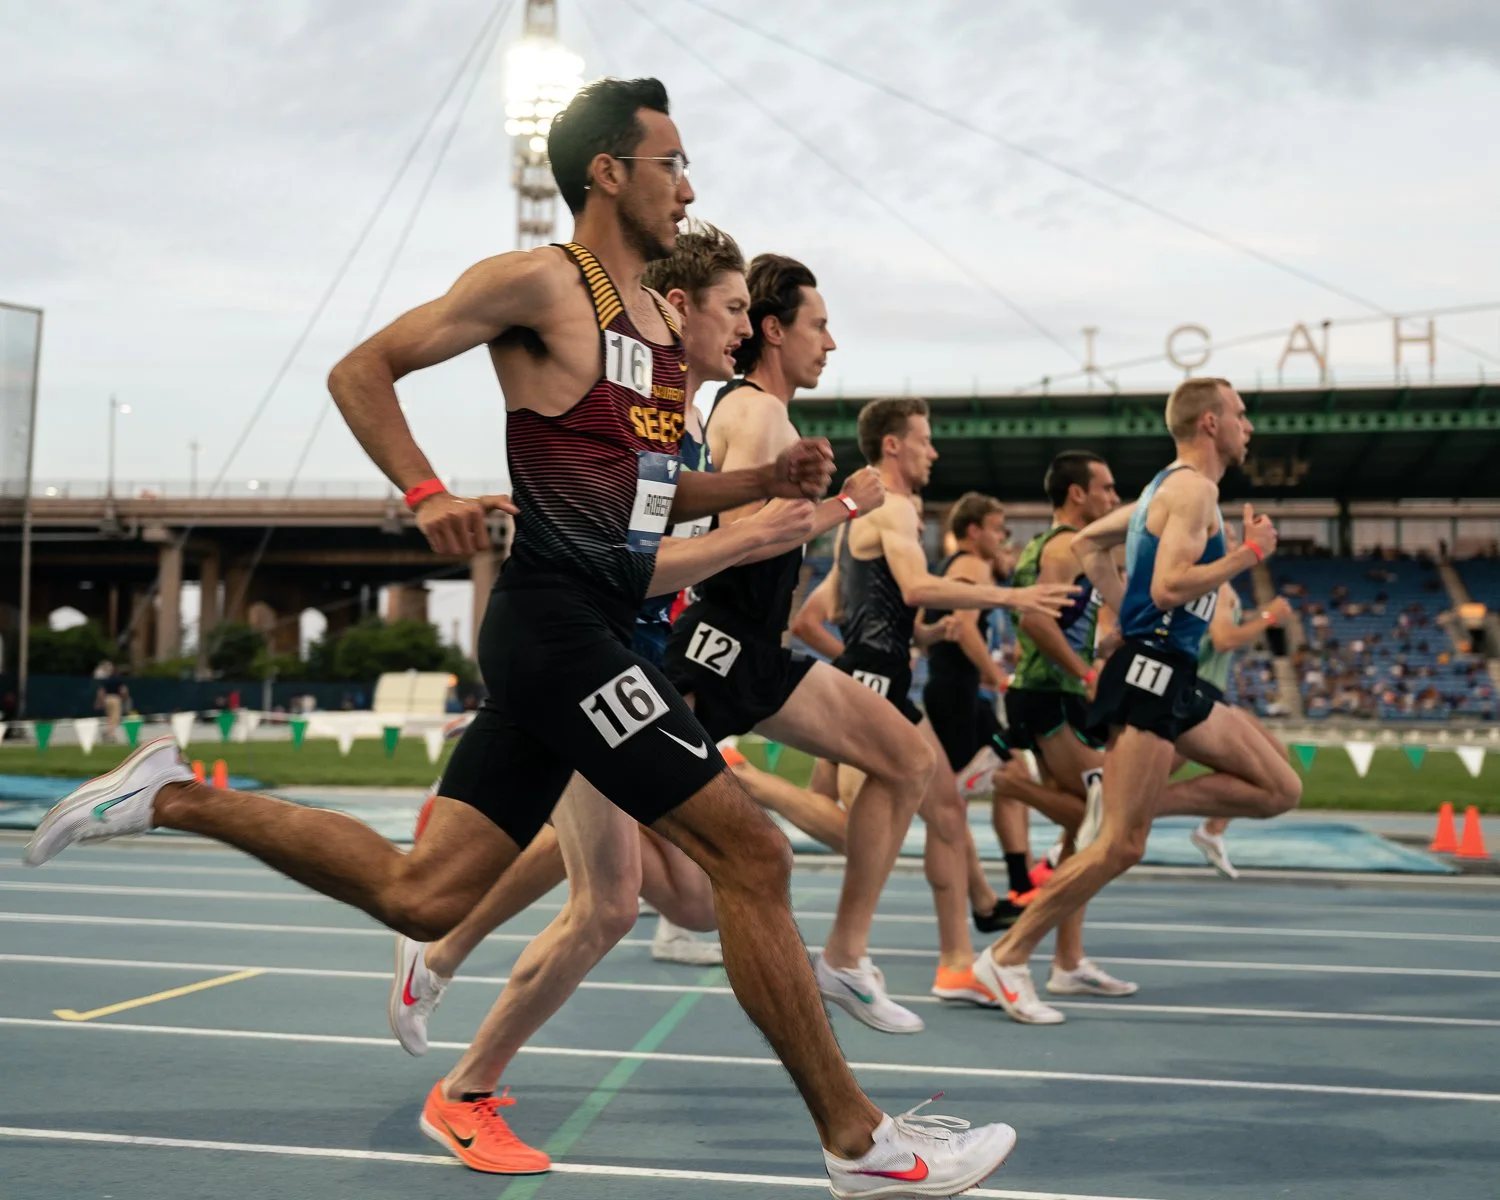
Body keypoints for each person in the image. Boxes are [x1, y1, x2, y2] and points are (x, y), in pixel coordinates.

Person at [25, 78, 1016, 1197]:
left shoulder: (653, 326)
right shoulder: (541, 283)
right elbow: (361, 370)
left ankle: (171, 794)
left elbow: (646, 495)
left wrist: (753, 480)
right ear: (609, 171)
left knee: (423, 897)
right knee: (754, 854)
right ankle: (861, 1143)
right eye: (672, 164)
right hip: (558, 628)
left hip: (592, 630)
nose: (689, 187)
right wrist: (423, 490)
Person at [972, 377, 1303, 1020]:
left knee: (1278, 788)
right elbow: (1176, 582)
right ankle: (1006, 958)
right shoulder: (1191, 489)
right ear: (1209, 423)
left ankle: (1119, 799)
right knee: (1121, 846)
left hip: (1169, 671)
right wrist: (1247, 555)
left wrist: (1128, 610)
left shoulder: (1162, 487)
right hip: (1154, 673)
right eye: (1239, 414)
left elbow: (1092, 542)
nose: (1249, 426)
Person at [823, 396, 1077, 1022]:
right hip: (876, 683)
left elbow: (835, 611)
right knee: (890, 816)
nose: (934, 452)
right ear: (892, 445)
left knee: (942, 812)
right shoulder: (895, 504)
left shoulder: (865, 506)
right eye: (925, 440)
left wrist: (916, 639)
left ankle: (953, 961)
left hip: (878, 675)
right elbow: (914, 589)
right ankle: (866, 956)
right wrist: (1013, 593)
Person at [985, 451, 1137, 1024]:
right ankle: (1006, 782)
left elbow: (1057, 624)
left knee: (1084, 827)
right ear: (1077, 494)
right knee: (1102, 814)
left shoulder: (1065, 548)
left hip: (1055, 690)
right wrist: (1085, 671)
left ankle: (1068, 962)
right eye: (1106, 487)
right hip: (1049, 694)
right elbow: (1034, 621)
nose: (1113, 497)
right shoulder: (1062, 547)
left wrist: (1094, 653)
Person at [918, 492, 1027, 932]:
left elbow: (930, 627)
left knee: (957, 804)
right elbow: (963, 626)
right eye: (998, 528)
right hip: (960, 696)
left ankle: (989, 898)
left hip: (952, 691)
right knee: (1004, 780)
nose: (1003, 537)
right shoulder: (971, 566)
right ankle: (1017, 884)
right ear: (974, 531)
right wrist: (997, 676)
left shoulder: (950, 568)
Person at [1188, 530, 1295, 878]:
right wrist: (1267, 618)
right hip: (1193, 696)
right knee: (1131, 788)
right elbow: (1222, 640)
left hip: (1210, 693)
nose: (1236, 541)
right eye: (1229, 537)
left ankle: (1212, 830)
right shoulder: (1216, 588)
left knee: (1275, 755)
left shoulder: (1223, 590)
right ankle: (1080, 833)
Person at [93, 662, 129, 743]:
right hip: (115, 699)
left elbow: (101, 691)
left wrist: (99, 701)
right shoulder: (119, 680)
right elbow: (123, 690)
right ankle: (110, 735)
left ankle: (108, 732)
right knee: (115, 718)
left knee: (109, 718)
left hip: (107, 698)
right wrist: (125, 698)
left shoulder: (106, 680)